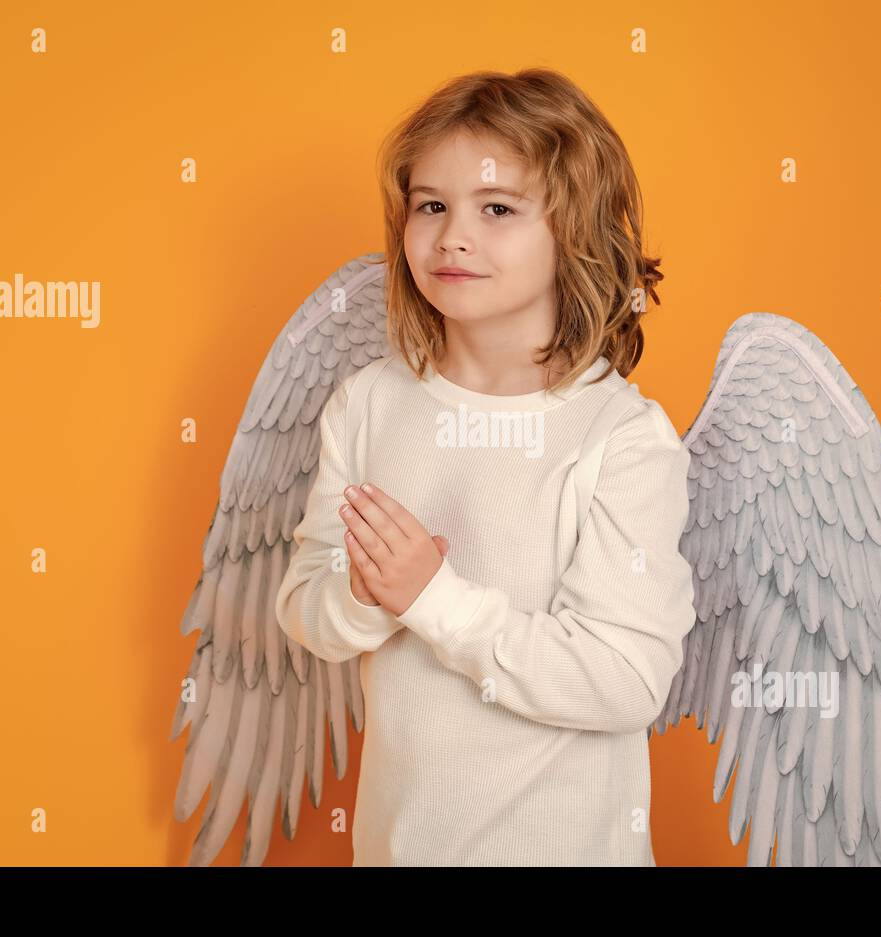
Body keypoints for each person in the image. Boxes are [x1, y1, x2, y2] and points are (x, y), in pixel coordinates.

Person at [274, 68, 695, 866]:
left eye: (497, 209)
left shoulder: (622, 438)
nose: (452, 236)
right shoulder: (367, 405)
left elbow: (623, 679)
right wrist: (365, 594)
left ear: (575, 231)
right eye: (431, 205)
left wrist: (434, 599)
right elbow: (307, 612)